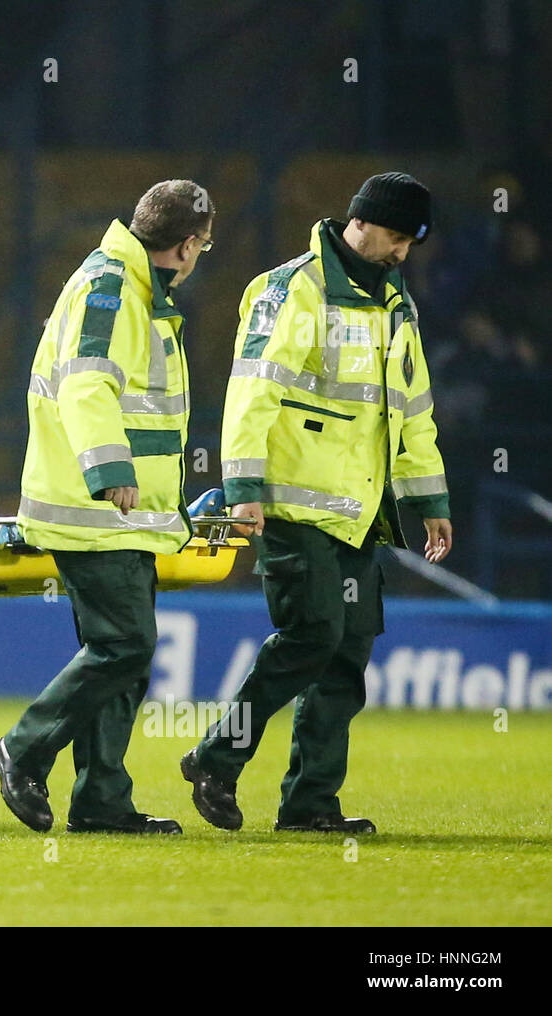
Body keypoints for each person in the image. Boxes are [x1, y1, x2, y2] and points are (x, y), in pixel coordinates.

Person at [182, 172, 452, 834]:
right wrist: (244, 489)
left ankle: (309, 806)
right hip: (292, 507)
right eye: (395, 238)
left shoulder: (395, 305)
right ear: (360, 221)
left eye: (411, 244)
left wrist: (430, 497)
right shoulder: (291, 291)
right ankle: (218, 756)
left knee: (345, 659)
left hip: (360, 514)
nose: (402, 254)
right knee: (314, 636)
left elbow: (412, 413)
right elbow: (251, 396)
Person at [0, 180, 213, 835]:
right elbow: (87, 383)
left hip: (124, 513)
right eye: (202, 242)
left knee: (125, 654)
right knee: (126, 644)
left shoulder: (130, 288)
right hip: (94, 507)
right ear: (187, 244)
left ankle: (102, 800)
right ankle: (22, 750)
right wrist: (109, 469)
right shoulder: (114, 289)